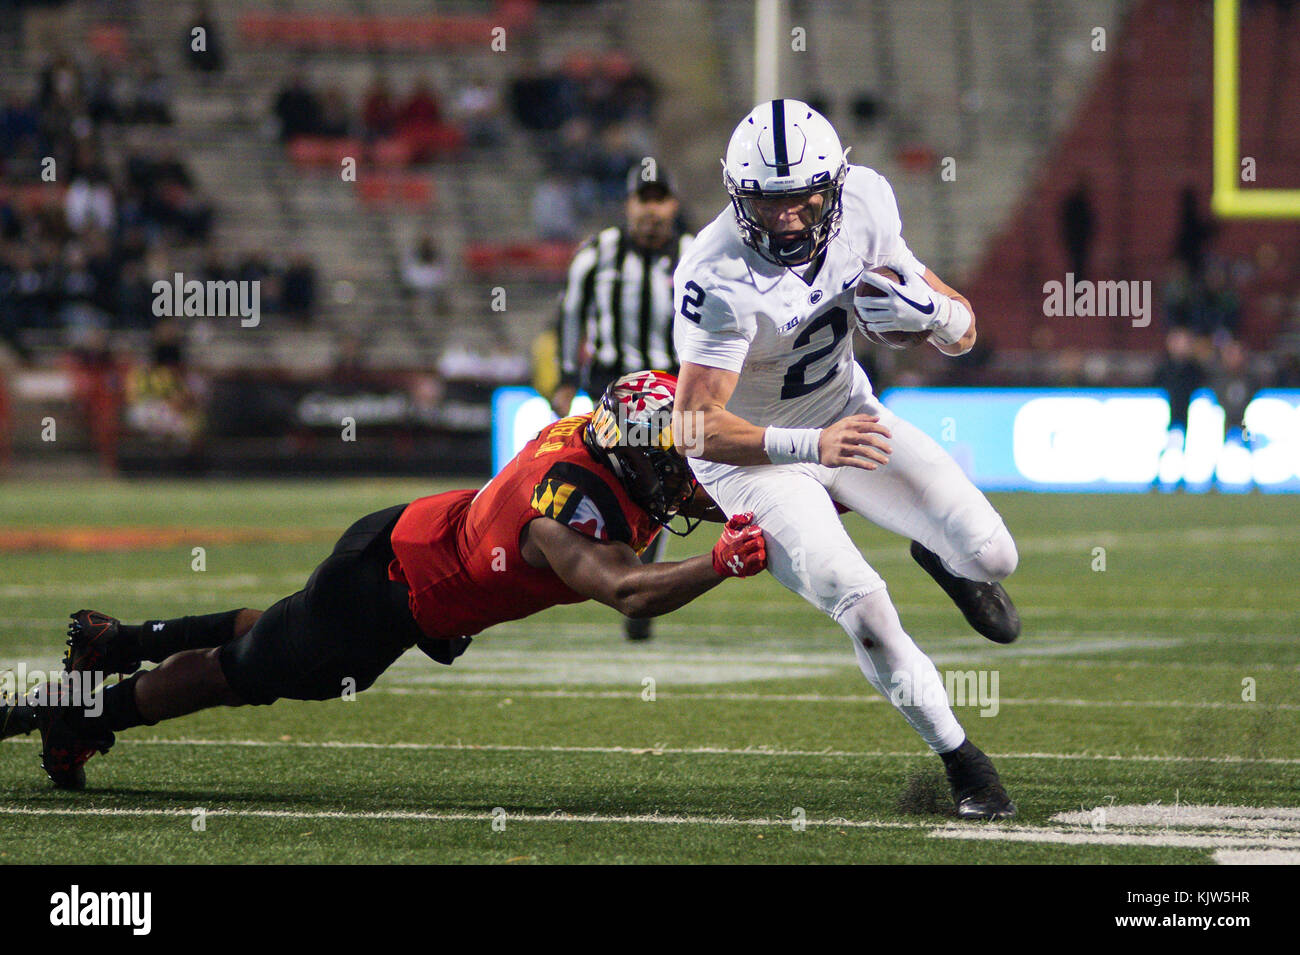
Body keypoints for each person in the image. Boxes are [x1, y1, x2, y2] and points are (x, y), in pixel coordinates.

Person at [1, 372, 765, 790]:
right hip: (391, 590)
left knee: (283, 626)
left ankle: (116, 640)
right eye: (676, 462)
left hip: (404, 544)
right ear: (636, 457)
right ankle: (77, 717)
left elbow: (667, 429)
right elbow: (627, 590)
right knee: (241, 674)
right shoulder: (567, 510)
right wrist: (720, 562)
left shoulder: (598, 435)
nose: (690, 477)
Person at [673, 100, 1021, 820]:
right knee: (860, 602)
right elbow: (695, 427)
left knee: (995, 556)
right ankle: (963, 761)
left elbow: (964, 332)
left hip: (843, 412)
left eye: (806, 199)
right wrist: (809, 447)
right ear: (740, 200)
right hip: (753, 458)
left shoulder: (866, 202)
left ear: (837, 184)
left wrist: (934, 317)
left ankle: (945, 558)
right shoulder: (713, 274)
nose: (793, 219)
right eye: (772, 204)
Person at [553, 162, 694, 641]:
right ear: (629, 203)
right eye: (643, 199)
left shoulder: (695, 256)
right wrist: (565, 377)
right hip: (612, 391)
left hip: (674, 391)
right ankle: (618, 578)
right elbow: (571, 314)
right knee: (607, 484)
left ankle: (638, 586)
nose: (651, 210)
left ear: (673, 205)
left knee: (663, 491)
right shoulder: (598, 253)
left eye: (660, 200)